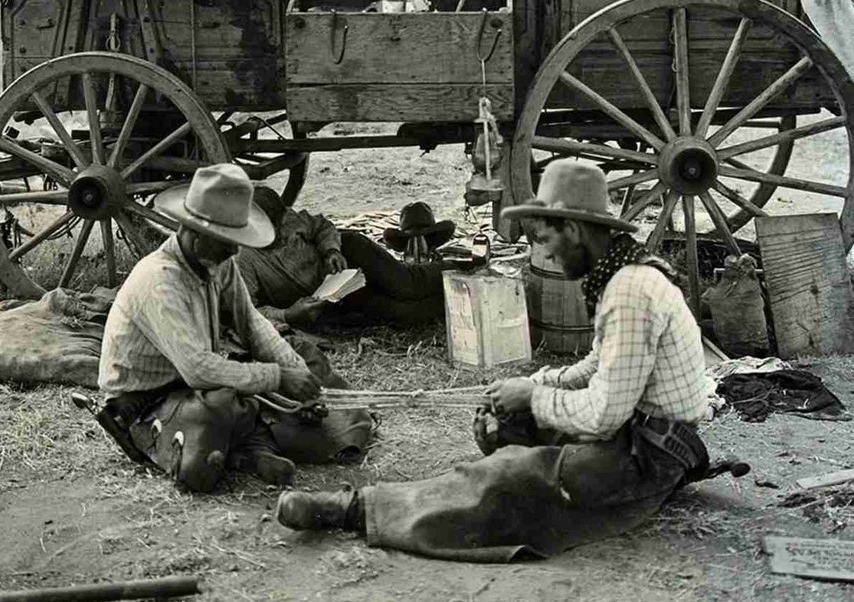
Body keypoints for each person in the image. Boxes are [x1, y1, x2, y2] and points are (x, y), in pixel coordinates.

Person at [275, 159, 720, 561]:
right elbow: (596, 368)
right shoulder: (622, 277)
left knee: (511, 473)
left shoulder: (630, 291)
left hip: (650, 455)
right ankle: (509, 479)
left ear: (575, 230)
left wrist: (532, 393)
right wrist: (537, 384)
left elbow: (604, 414)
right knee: (512, 424)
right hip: (640, 434)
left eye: (547, 240)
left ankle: (355, 509)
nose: (546, 254)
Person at [98, 163, 372, 493]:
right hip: (145, 402)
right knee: (221, 404)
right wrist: (279, 379)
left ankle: (250, 447)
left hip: (190, 384)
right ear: (194, 235)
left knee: (299, 356)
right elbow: (198, 369)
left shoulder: (218, 263)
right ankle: (250, 451)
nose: (234, 250)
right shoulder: (159, 281)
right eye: (226, 241)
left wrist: (295, 371)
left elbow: (253, 325)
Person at [238, 187, 451, 329]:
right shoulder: (243, 258)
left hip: (350, 253)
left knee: (406, 284)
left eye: (281, 225)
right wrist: (287, 315)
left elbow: (322, 226)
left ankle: (462, 266)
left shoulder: (288, 220)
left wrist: (331, 250)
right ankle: (460, 299)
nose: (281, 233)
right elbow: (247, 311)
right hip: (334, 297)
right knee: (405, 314)